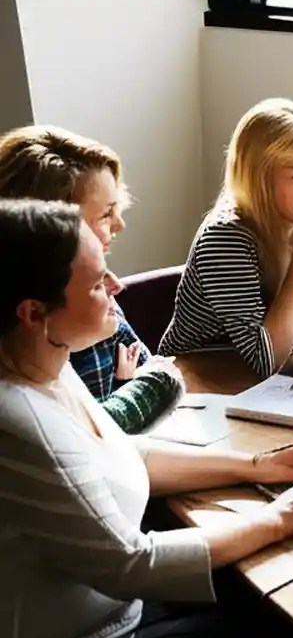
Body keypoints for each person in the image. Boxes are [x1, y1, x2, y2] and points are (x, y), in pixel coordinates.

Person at [0, 199, 293, 638]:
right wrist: (281, 519)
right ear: (34, 314)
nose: (117, 287)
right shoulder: (18, 420)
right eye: (95, 284)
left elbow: (124, 453)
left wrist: (258, 465)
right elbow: (134, 563)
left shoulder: (45, 362)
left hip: (118, 616)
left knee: (275, 606)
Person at [159, 98, 293, 378]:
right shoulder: (225, 238)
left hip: (282, 389)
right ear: (260, 182)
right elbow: (266, 358)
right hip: (203, 388)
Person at [0, 125, 183, 434]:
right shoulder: (34, 329)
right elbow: (74, 434)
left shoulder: (98, 296)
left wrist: (131, 385)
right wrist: (147, 387)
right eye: (105, 214)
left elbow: (146, 366)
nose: (120, 224)